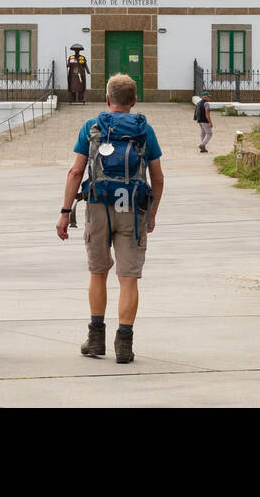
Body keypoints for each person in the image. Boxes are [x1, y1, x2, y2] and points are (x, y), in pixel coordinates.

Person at [56, 73, 164, 364]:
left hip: (98, 207)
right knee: (128, 278)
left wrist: (65, 213)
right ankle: (125, 344)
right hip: (133, 210)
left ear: (107, 99)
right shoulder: (145, 130)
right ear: (134, 101)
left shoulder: (92, 127)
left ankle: (95, 339)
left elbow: (75, 173)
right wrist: (151, 214)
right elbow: (158, 177)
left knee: (98, 273)